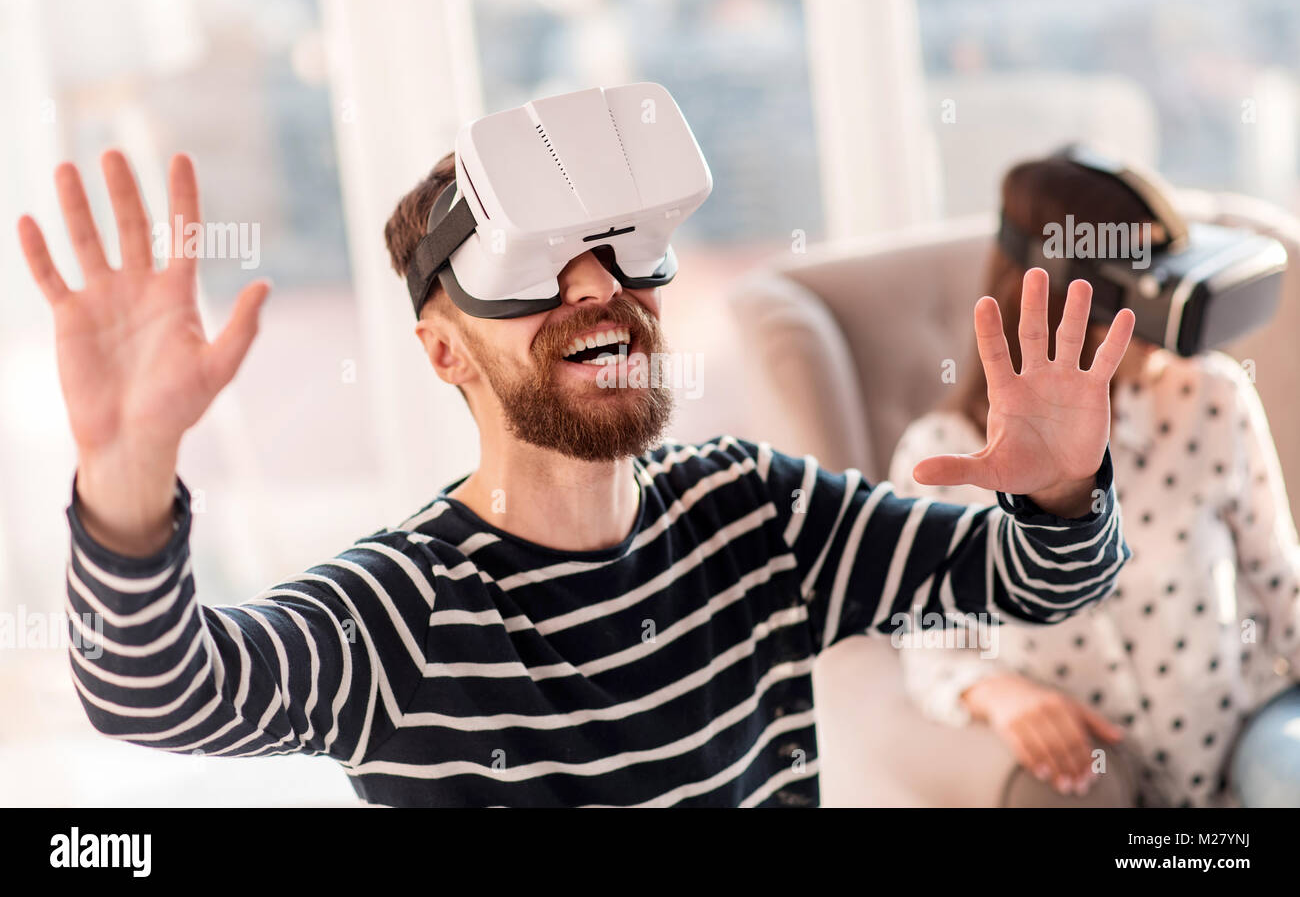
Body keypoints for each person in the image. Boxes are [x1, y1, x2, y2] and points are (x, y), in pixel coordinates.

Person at [21, 132, 1134, 806]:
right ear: (444, 348)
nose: (595, 289)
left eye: (617, 254)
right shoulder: (401, 611)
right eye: (529, 271)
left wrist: (1055, 493)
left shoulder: (754, 511)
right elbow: (156, 693)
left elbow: (1036, 581)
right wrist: (125, 479)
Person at [890, 153, 1300, 807]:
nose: (1166, 321)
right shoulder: (945, 459)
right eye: (1139, 290)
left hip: (1252, 729)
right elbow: (928, 644)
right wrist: (997, 692)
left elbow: (1284, 586)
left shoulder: (1210, 398)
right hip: (1116, 770)